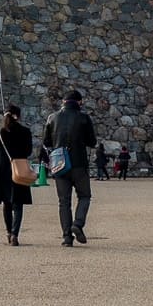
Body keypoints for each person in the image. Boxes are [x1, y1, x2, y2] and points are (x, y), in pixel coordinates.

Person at [43, 90, 98, 248]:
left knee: (63, 202)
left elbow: (46, 142)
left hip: (60, 163)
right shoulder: (84, 118)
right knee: (84, 196)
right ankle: (78, 223)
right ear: (79, 102)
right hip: (79, 163)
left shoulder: (52, 118)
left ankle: (67, 237)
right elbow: (92, 141)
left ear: (63, 102)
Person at [0, 104, 36, 246]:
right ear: (18, 116)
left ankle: (9, 232)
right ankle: (15, 234)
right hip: (19, 169)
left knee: (6, 203)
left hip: (2, 169)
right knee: (18, 204)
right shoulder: (25, 131)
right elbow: (28, 152)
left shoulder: (0, 132)